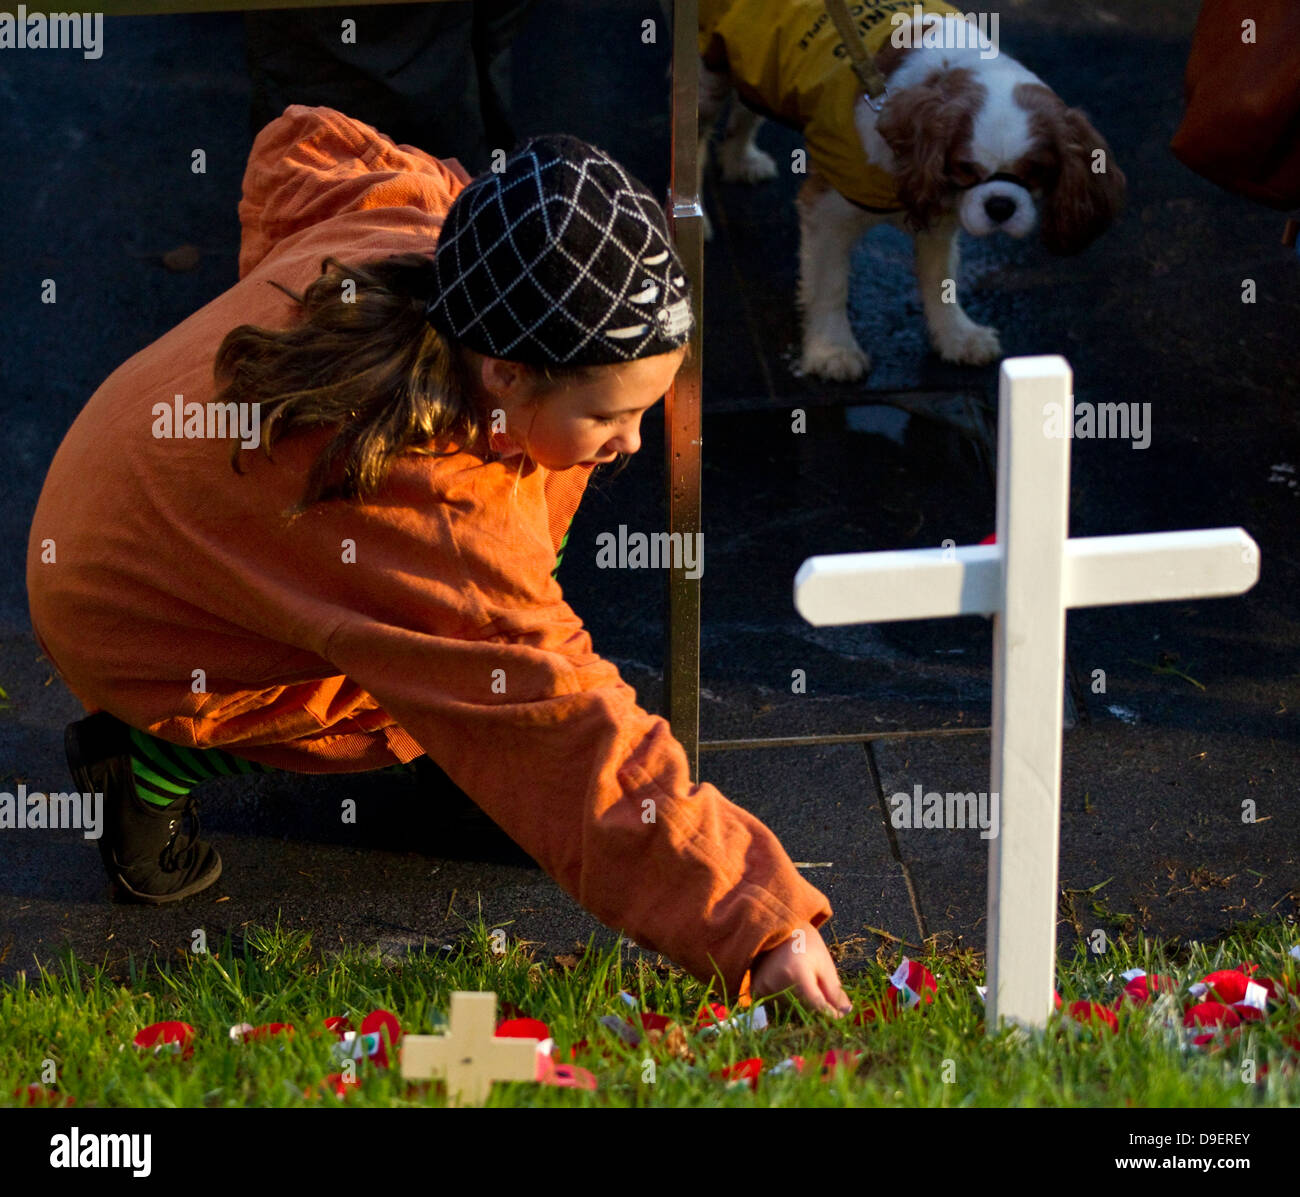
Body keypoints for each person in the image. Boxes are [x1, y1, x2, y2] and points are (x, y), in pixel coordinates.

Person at [26, 106, 850, 1017]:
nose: (632, 443)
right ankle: (142, 765)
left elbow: (299, 146)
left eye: (650, 406)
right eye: (610, 414)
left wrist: (271, 271)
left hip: (110, 508)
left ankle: (450, 744)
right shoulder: (426, 509)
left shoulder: (430, 231)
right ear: (502, 372)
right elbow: (564, 717)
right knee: (464, 681)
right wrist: (758, 921)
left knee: (493, 598)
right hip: (137, 629)